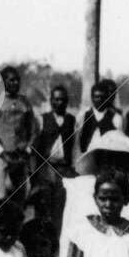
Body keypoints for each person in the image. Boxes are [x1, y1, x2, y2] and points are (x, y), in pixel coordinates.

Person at [61, 130, 129, 257]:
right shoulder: (81, 187)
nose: (113, 165)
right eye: (107, 158)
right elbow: (67, 235)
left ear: (128, 163)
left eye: (119, 159)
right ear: (98, 161)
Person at [0, 66, 38, 204]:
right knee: (0, 196)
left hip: (20, 157)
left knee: (19, 197)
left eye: (17, 80)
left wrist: (27, 150)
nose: (15, 83)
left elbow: (33, 130)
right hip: (2, 157)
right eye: (11, 80)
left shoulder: (25, 102)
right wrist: (2, 153)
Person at [31, 83, 78, 229]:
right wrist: (35, 174)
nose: (60, 103)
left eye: (63, 100)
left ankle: (58, 242)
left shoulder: (72, 120)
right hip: (46, 169)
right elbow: (34, 148)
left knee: (61, 207)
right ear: (51, 101)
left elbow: (75, 147)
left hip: (64, 170)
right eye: (56, 100)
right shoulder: (42, 119)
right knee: (43, 206)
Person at [76, 77, 122, 154]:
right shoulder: (83, 115)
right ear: (92, 97)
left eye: (103, 97)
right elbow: (76, 142)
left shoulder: (116, 118)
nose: (100, 100)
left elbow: (119, 143)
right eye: (96, 97)